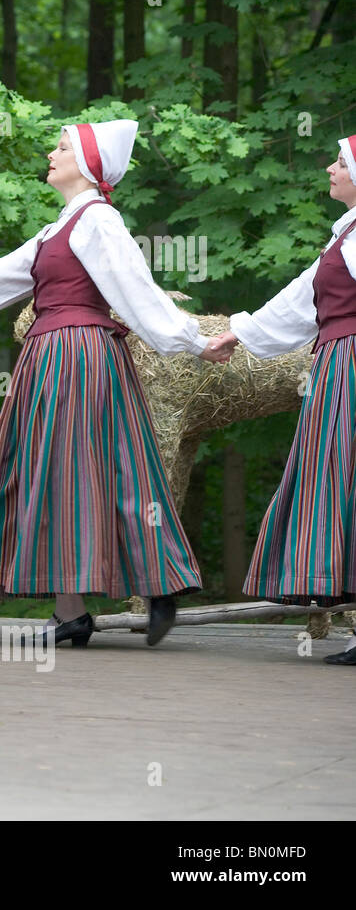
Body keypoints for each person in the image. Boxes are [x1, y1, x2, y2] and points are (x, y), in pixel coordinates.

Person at [0, 119, 230, 647]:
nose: (52, 153)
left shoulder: (99, 222)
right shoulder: (60, 228)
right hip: (51, 357)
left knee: (102, 470)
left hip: (79, 357)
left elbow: (138, 292)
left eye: (63, 147)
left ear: (88, 165)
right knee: (55, 474)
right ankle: (71, 612)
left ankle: (159, 583)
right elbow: (0, 275)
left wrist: (193, 340)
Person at [207, 135, 356, 665]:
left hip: (351, 364)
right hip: (338, 364)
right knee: (342, 484)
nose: (329, 168)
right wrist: (237, 333)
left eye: (339, 162)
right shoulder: (345, 237)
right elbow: (299, 301)